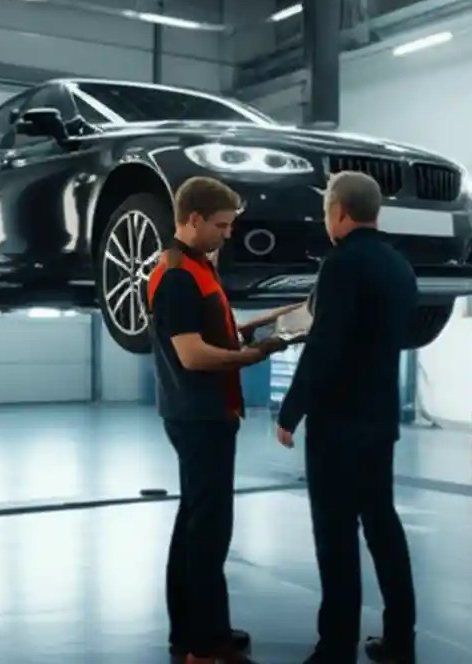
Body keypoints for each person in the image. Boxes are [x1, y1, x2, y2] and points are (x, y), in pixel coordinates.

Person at [275, 171, 420, 664]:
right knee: (382, 526)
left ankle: (335, 648)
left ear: (338, 211)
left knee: (335, 535)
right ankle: (400, 641)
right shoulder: (400, 266)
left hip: (338, 423)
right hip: (380, 417)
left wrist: (290, 410)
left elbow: (325, 346)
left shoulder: (340, 264)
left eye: (325, 212)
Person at [147, 176, 290, 664]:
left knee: (195, 523)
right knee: (208, 532)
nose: (228, 234)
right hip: (198, 414)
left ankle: (193, 632)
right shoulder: (178, 276)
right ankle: (205, 648)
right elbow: (191, 354)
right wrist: (253, 356)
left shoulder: (195, 268)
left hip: (201, 412)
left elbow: (211, 333)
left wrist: (261, 326)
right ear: (193, 220)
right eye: (222, 225)